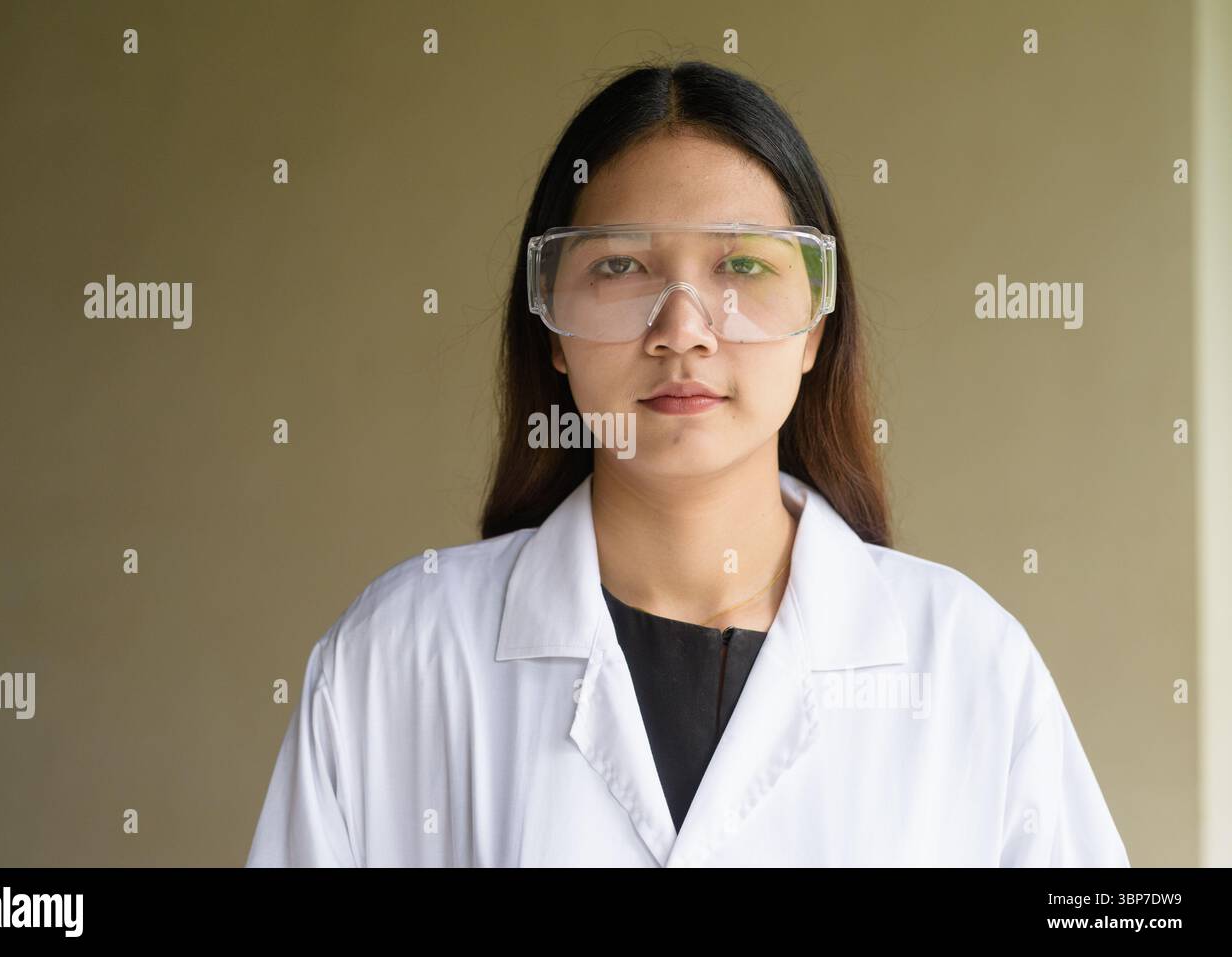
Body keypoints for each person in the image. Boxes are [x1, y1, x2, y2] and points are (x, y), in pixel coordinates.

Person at [245, 59, 1129, 867]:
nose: (683, 328)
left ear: (815, 326)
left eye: (742, 263)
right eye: (622, 266)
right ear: (552, 326)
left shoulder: (970, 665)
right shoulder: (397, 659)